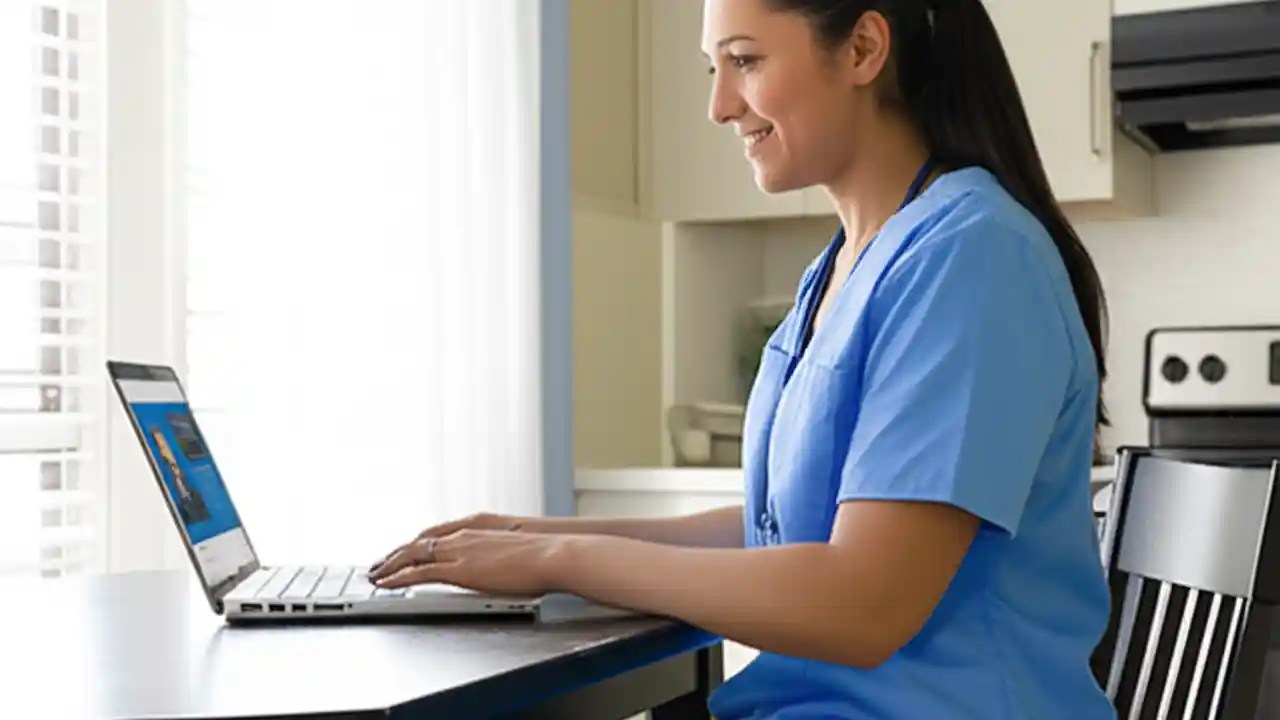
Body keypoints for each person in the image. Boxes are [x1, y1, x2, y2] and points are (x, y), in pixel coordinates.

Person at [370, 0, 1114, 716]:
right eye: (714, 69)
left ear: (863, 50)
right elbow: (783, 531)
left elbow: (864, 602)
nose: (720, 105)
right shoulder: (844, 266)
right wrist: (539, 538)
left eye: (746, 61)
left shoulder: (971, 257)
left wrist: (565, 562)